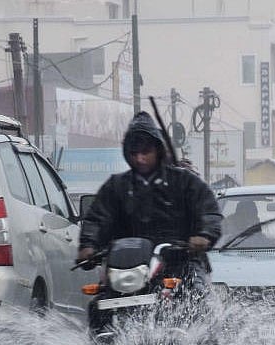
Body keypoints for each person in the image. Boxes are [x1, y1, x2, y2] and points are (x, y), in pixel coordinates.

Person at [76, 111, 223, 283]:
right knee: (100, 300)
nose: (140, 158)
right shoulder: (116, 186)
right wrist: (88, 245)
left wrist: (204, 236)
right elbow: (97, 218)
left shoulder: (184, 181)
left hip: (180, 261)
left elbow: (208, 210)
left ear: (158, 150)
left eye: (146, 152)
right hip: (127, 267)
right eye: (134, 153)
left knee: (194, 290)